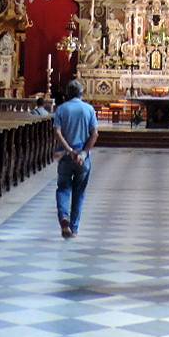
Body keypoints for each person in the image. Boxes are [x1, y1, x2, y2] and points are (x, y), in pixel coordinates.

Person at [53, 79, 99, 237]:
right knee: (79, 192)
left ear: (67, 93)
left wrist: (69, 150)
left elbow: (57, 132)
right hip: (82, 158)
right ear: (81, 93)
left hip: (66, 156)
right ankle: (74, 227)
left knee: (63, 188)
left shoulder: (61, 109)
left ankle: (63, 217)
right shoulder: (89, 109)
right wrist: (83, 153)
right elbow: (95, 134)